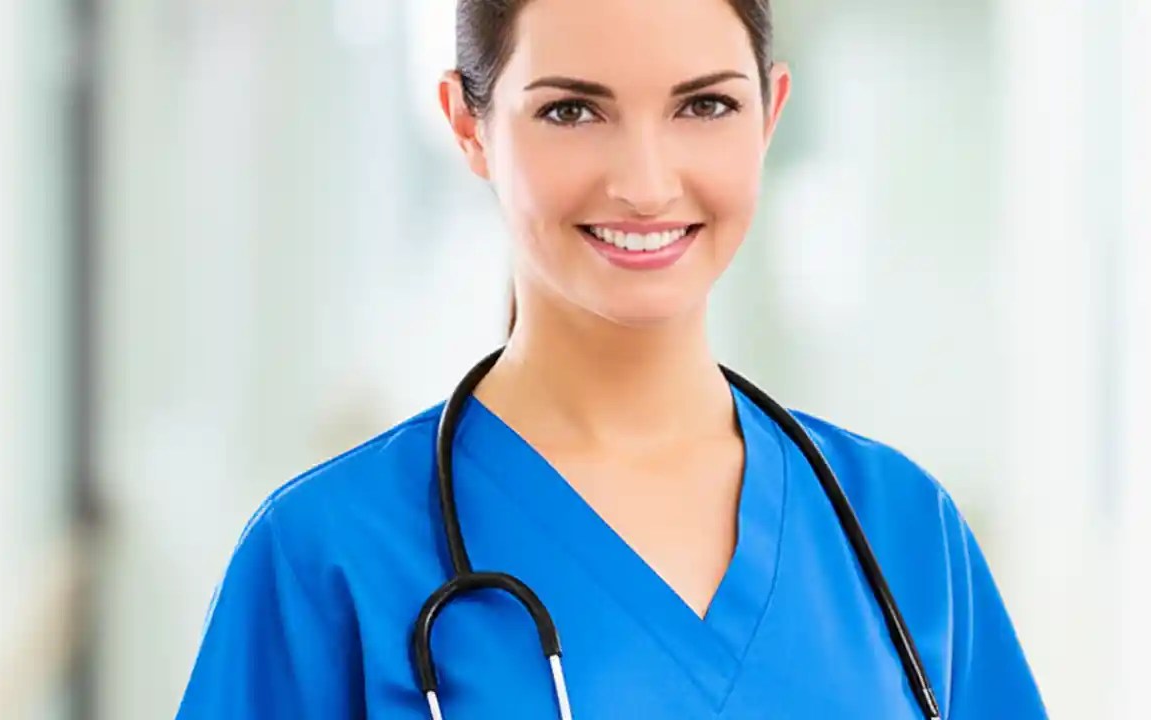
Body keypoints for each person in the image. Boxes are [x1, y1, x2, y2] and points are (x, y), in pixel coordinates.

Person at [175, 0, 1047, 717]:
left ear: (771, 113)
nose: (645, 182)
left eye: (704, 105)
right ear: (467, 124)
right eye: (572, 110)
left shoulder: (900, 534)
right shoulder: (327, 559)